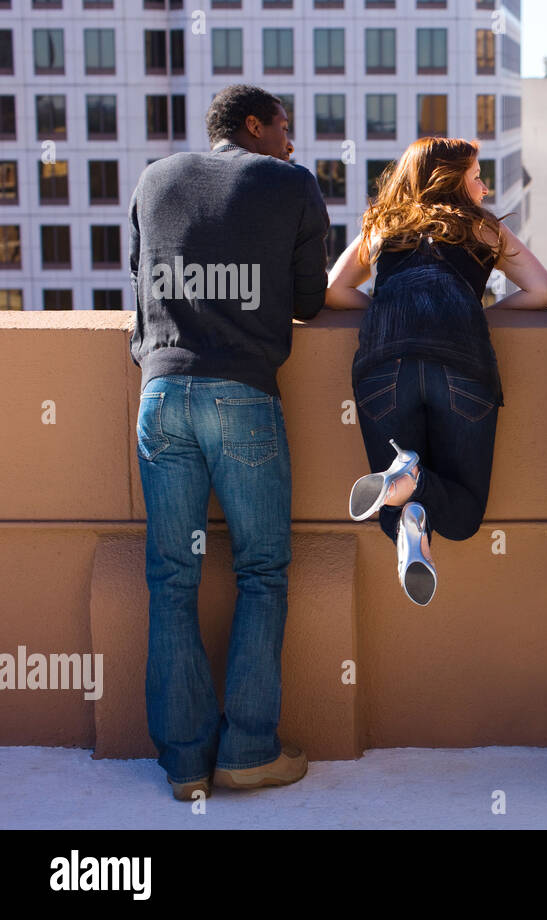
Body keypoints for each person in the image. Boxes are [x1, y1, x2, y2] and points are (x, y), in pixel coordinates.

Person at [128, 85, 329, 801]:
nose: (291, 142)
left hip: (160, 396)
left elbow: (140, 284)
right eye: (284, 128)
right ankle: (247, 750)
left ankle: (186, 765)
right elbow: (310, 300)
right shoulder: (289, 183)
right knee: (263, 572)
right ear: (255, 126)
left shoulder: (155, 178)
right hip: (242, 396)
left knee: (171, 582)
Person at [326, 137, 547, 605]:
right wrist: (474, 316)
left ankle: (409, 510)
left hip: (382, 366)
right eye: (476, 177)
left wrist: (382, 309)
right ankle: (414, 484)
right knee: (466, 515)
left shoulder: (383, 224)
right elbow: (543, 292)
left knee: (393, 496)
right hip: (461, 365)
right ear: (451, 179)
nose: (485, 188)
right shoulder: (483, 228)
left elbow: (332, 291)